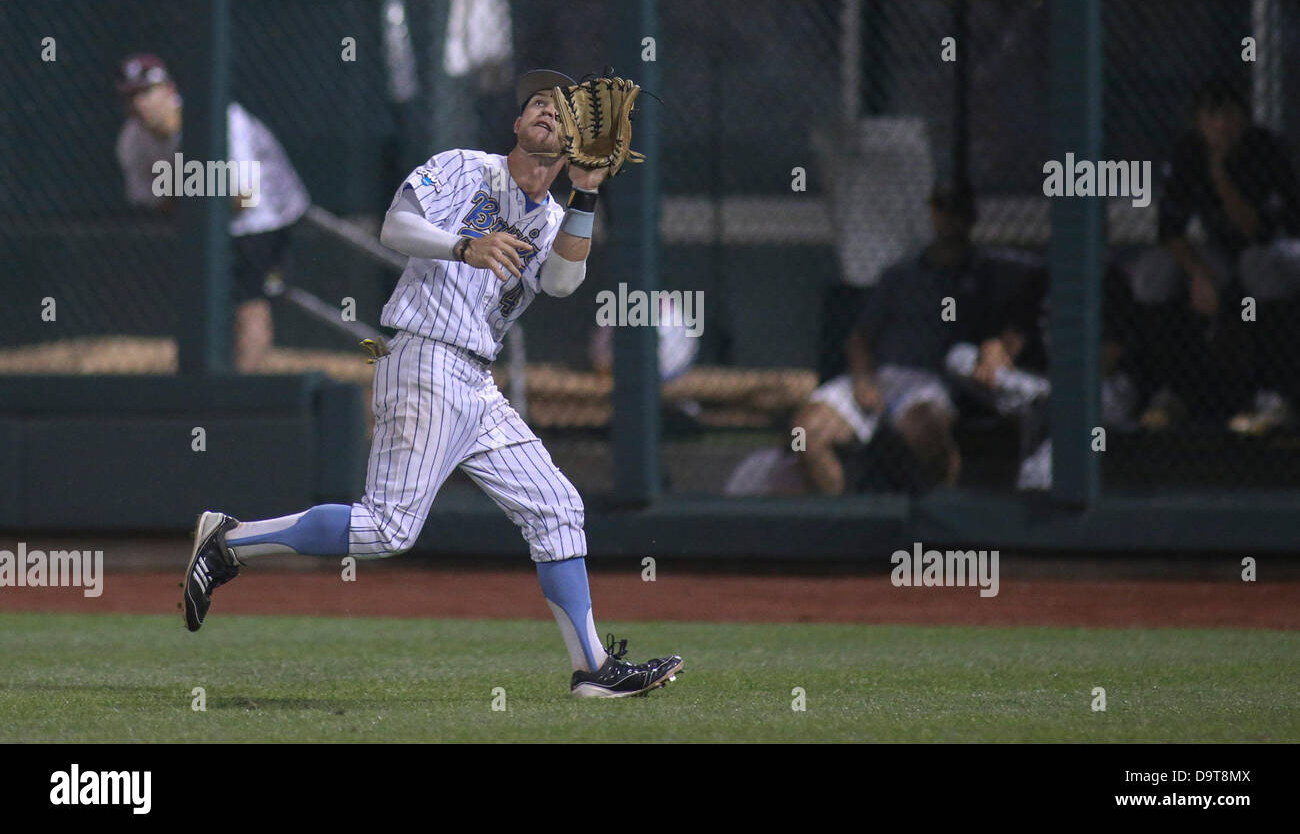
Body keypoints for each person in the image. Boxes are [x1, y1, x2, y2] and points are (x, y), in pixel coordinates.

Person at [181, 69, 684, 700]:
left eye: (561, 109)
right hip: (424, 355)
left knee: (557, 509)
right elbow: (395, 227)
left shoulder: (558, 217)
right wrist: (463, 246)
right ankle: (229, 542)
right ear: (516, 123)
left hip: (477, 380)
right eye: (536, 103)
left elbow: (561, 283)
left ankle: (592, 669)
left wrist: (586, 193)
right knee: (389, 529)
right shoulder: (465, 167)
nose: (547, 112)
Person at [787, 186, 1045, 495]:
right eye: (942, 209)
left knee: (924, 433)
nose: (949, 220)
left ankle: (939, 526)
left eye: (957, 211)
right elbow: (860, 338)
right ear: (933, 213)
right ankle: (841, 522)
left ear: (971, 218)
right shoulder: (900, 275)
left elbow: (1014, 327)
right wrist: (863, 380)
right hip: (879, 377)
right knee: (804, 433)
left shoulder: (988, 275)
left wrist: (998, 350)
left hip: (936, 383)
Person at [1124, 77, 1300, 434]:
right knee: (1154, 272)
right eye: (1212, 116)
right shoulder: (1189, 151)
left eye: (1231, 115)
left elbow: (1256, 231)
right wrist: (1199, 275)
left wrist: (1220, 172)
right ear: (1199, 121)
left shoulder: (1264, 149)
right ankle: (1171, 392)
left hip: (1280, 249)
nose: (1221, 125)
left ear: (1245, 119)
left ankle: (1275, 397)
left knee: (1256, 265)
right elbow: (1169, 231)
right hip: (1222, 251)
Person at [114, 53, 310, 372]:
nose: (140, 104)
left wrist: (186, 190)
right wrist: (198, 192)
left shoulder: (221, 120)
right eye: (131, 96)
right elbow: (155, 201)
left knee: (250, 304)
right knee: (204, 305)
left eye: (147, 92)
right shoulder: (131, 141)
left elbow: (242, 197)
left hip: (262, 217)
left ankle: (239, 394)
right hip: (205, 226)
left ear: (170, 91)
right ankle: (206, 384)